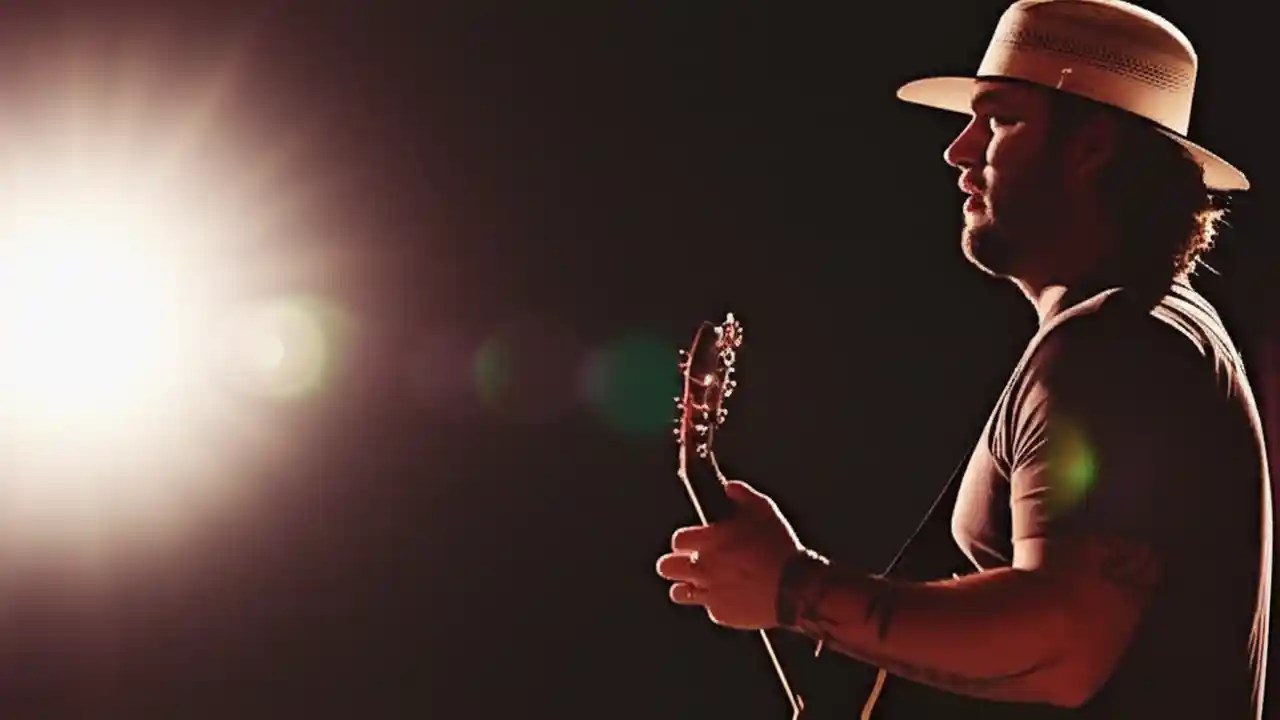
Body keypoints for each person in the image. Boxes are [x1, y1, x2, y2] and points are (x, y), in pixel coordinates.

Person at [654, 1, 1272, 717]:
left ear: (1091, 148)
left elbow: (1063, 647)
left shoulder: (1113, 348)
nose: (959, 149)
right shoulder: (1157, 333)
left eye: (999, 119)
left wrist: (796, 590)